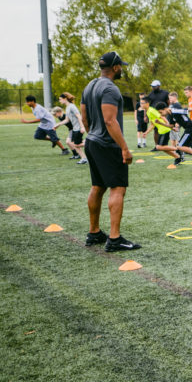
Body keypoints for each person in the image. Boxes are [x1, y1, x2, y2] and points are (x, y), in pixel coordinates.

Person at [81, 51, 139, 252]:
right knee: (117, 188)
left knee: (97, 186)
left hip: (92, 141)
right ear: (115, 68)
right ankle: (114, 238)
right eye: (120, 66)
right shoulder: (110, 89)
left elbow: (84, 117)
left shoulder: (90, 86)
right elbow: (109, 120)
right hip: (107, 144)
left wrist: (92, 136)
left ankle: (94, 232)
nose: (122, 69)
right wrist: (124, 147)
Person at [56, 92, 87, 163]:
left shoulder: (72, 106)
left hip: (78, 128)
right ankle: (84, 158)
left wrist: (82, 127)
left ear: (65, 99)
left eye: (60, 99)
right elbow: (67, 120)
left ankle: (90, 142)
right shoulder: (67, 108)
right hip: (75, 129)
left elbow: (79, 117)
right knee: (74, 144)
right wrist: (58, 124)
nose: (59, 101)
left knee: (76, 145)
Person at [146, 80, 168, 147]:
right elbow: (148, 105)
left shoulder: (165, 93)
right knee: (155, 130)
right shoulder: (151, 94)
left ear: (159, 86)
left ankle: (164, 145)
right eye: (152, 86)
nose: (153, 88)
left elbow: (169, 102)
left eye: (154, 86)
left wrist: (167, 112)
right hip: (154, 115)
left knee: (165, 128)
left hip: (163, 114)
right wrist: (146, 116)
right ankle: (156, 145)